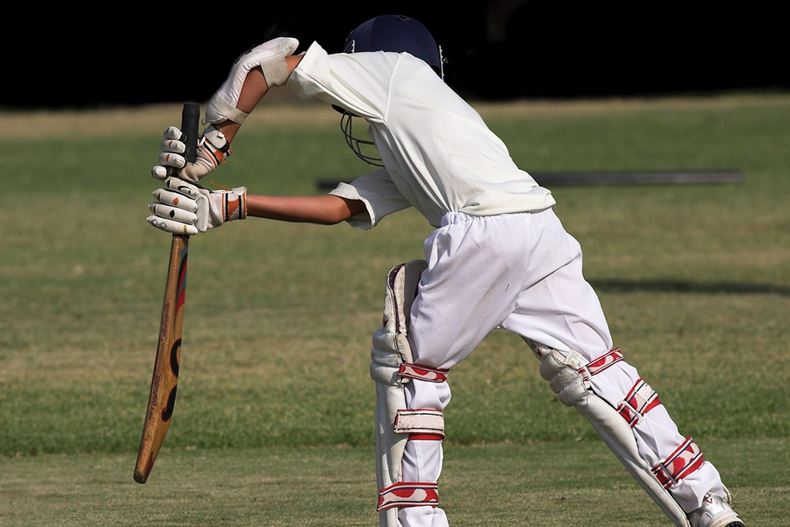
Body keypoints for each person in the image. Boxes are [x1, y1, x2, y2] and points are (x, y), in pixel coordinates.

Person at [146, 14, 746, 527]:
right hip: (539, 229)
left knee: (409, 368)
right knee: (598, 374)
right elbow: (340, 208)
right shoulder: (423, 131)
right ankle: (710, 507)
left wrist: (214, 146)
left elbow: (269, 61)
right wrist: (226, 205)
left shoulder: (391, 73)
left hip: (482, 232)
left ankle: (415, 518)